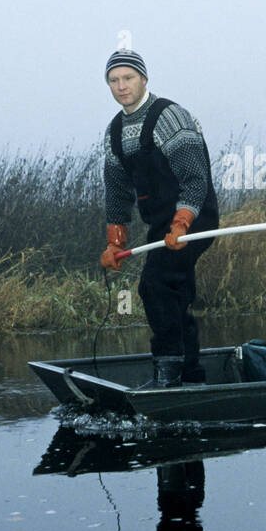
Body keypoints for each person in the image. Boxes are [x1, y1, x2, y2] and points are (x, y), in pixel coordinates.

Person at [98, 49, 219, 388]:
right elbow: (117, 192)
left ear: (144, 79)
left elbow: (196, 178)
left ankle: (168, 372)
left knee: (155, 285)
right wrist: (115, 241)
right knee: (174, 291)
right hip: (160, 224)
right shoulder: (115, 133)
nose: (122, 86)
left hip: (196, 215)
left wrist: (182, 223)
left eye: (128, 78)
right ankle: (192, 374)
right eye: (114, 80)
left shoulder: (169, 117)